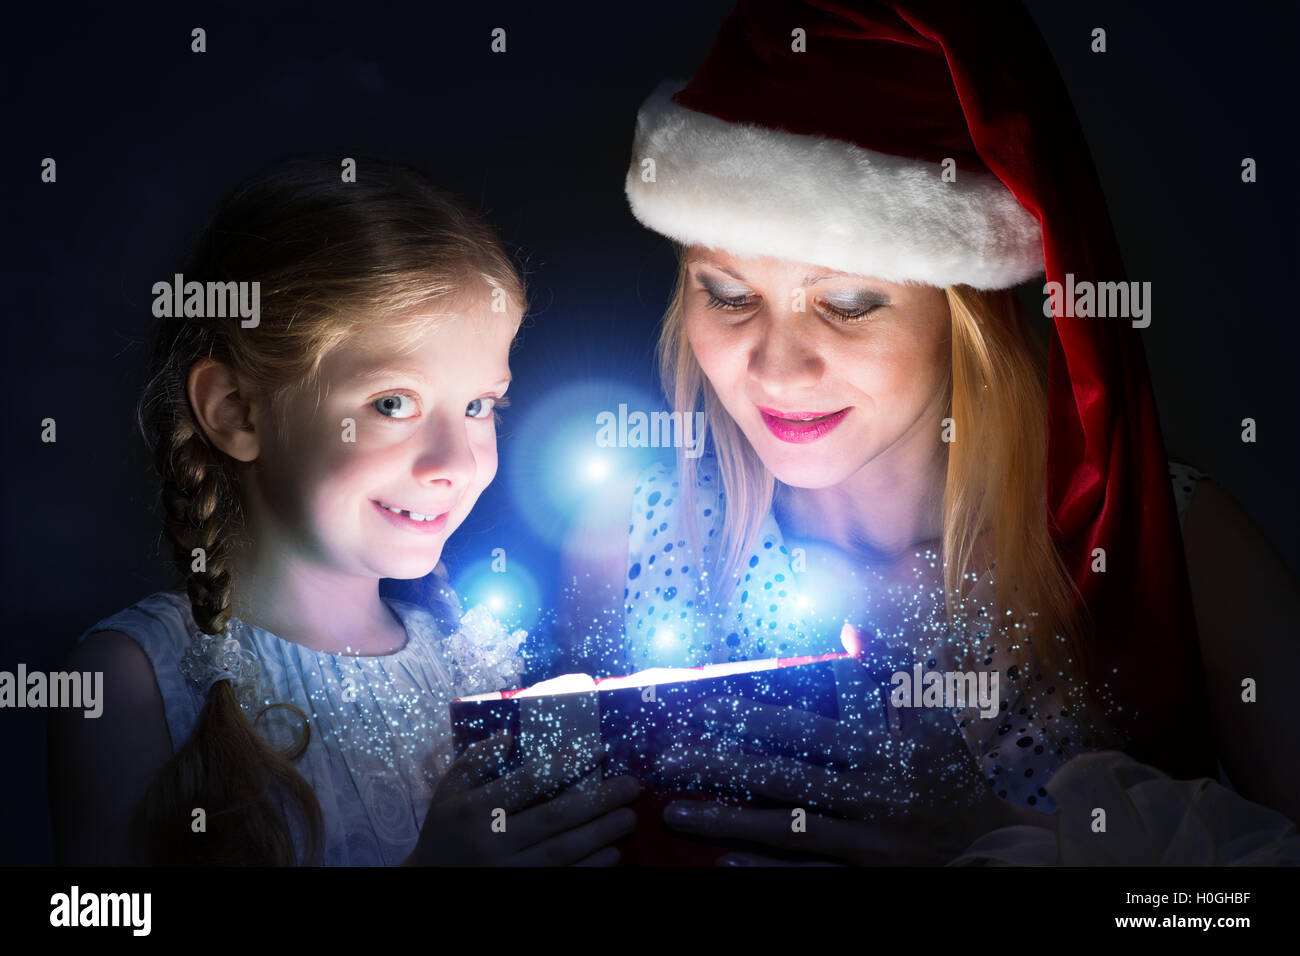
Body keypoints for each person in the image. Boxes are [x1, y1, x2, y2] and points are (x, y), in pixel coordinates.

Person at [563, 0, 1299, 864]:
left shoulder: (1162, 541)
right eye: (727, 295)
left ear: (966, 313)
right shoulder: (625, 548)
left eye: (845, 305)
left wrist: (1004, 845)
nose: (774, 368)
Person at [48, 156, 640, 866]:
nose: (453, 462)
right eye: (392, 404)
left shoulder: (477, 671)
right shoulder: (131, 684)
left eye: (479, 405)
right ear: (238, 411)